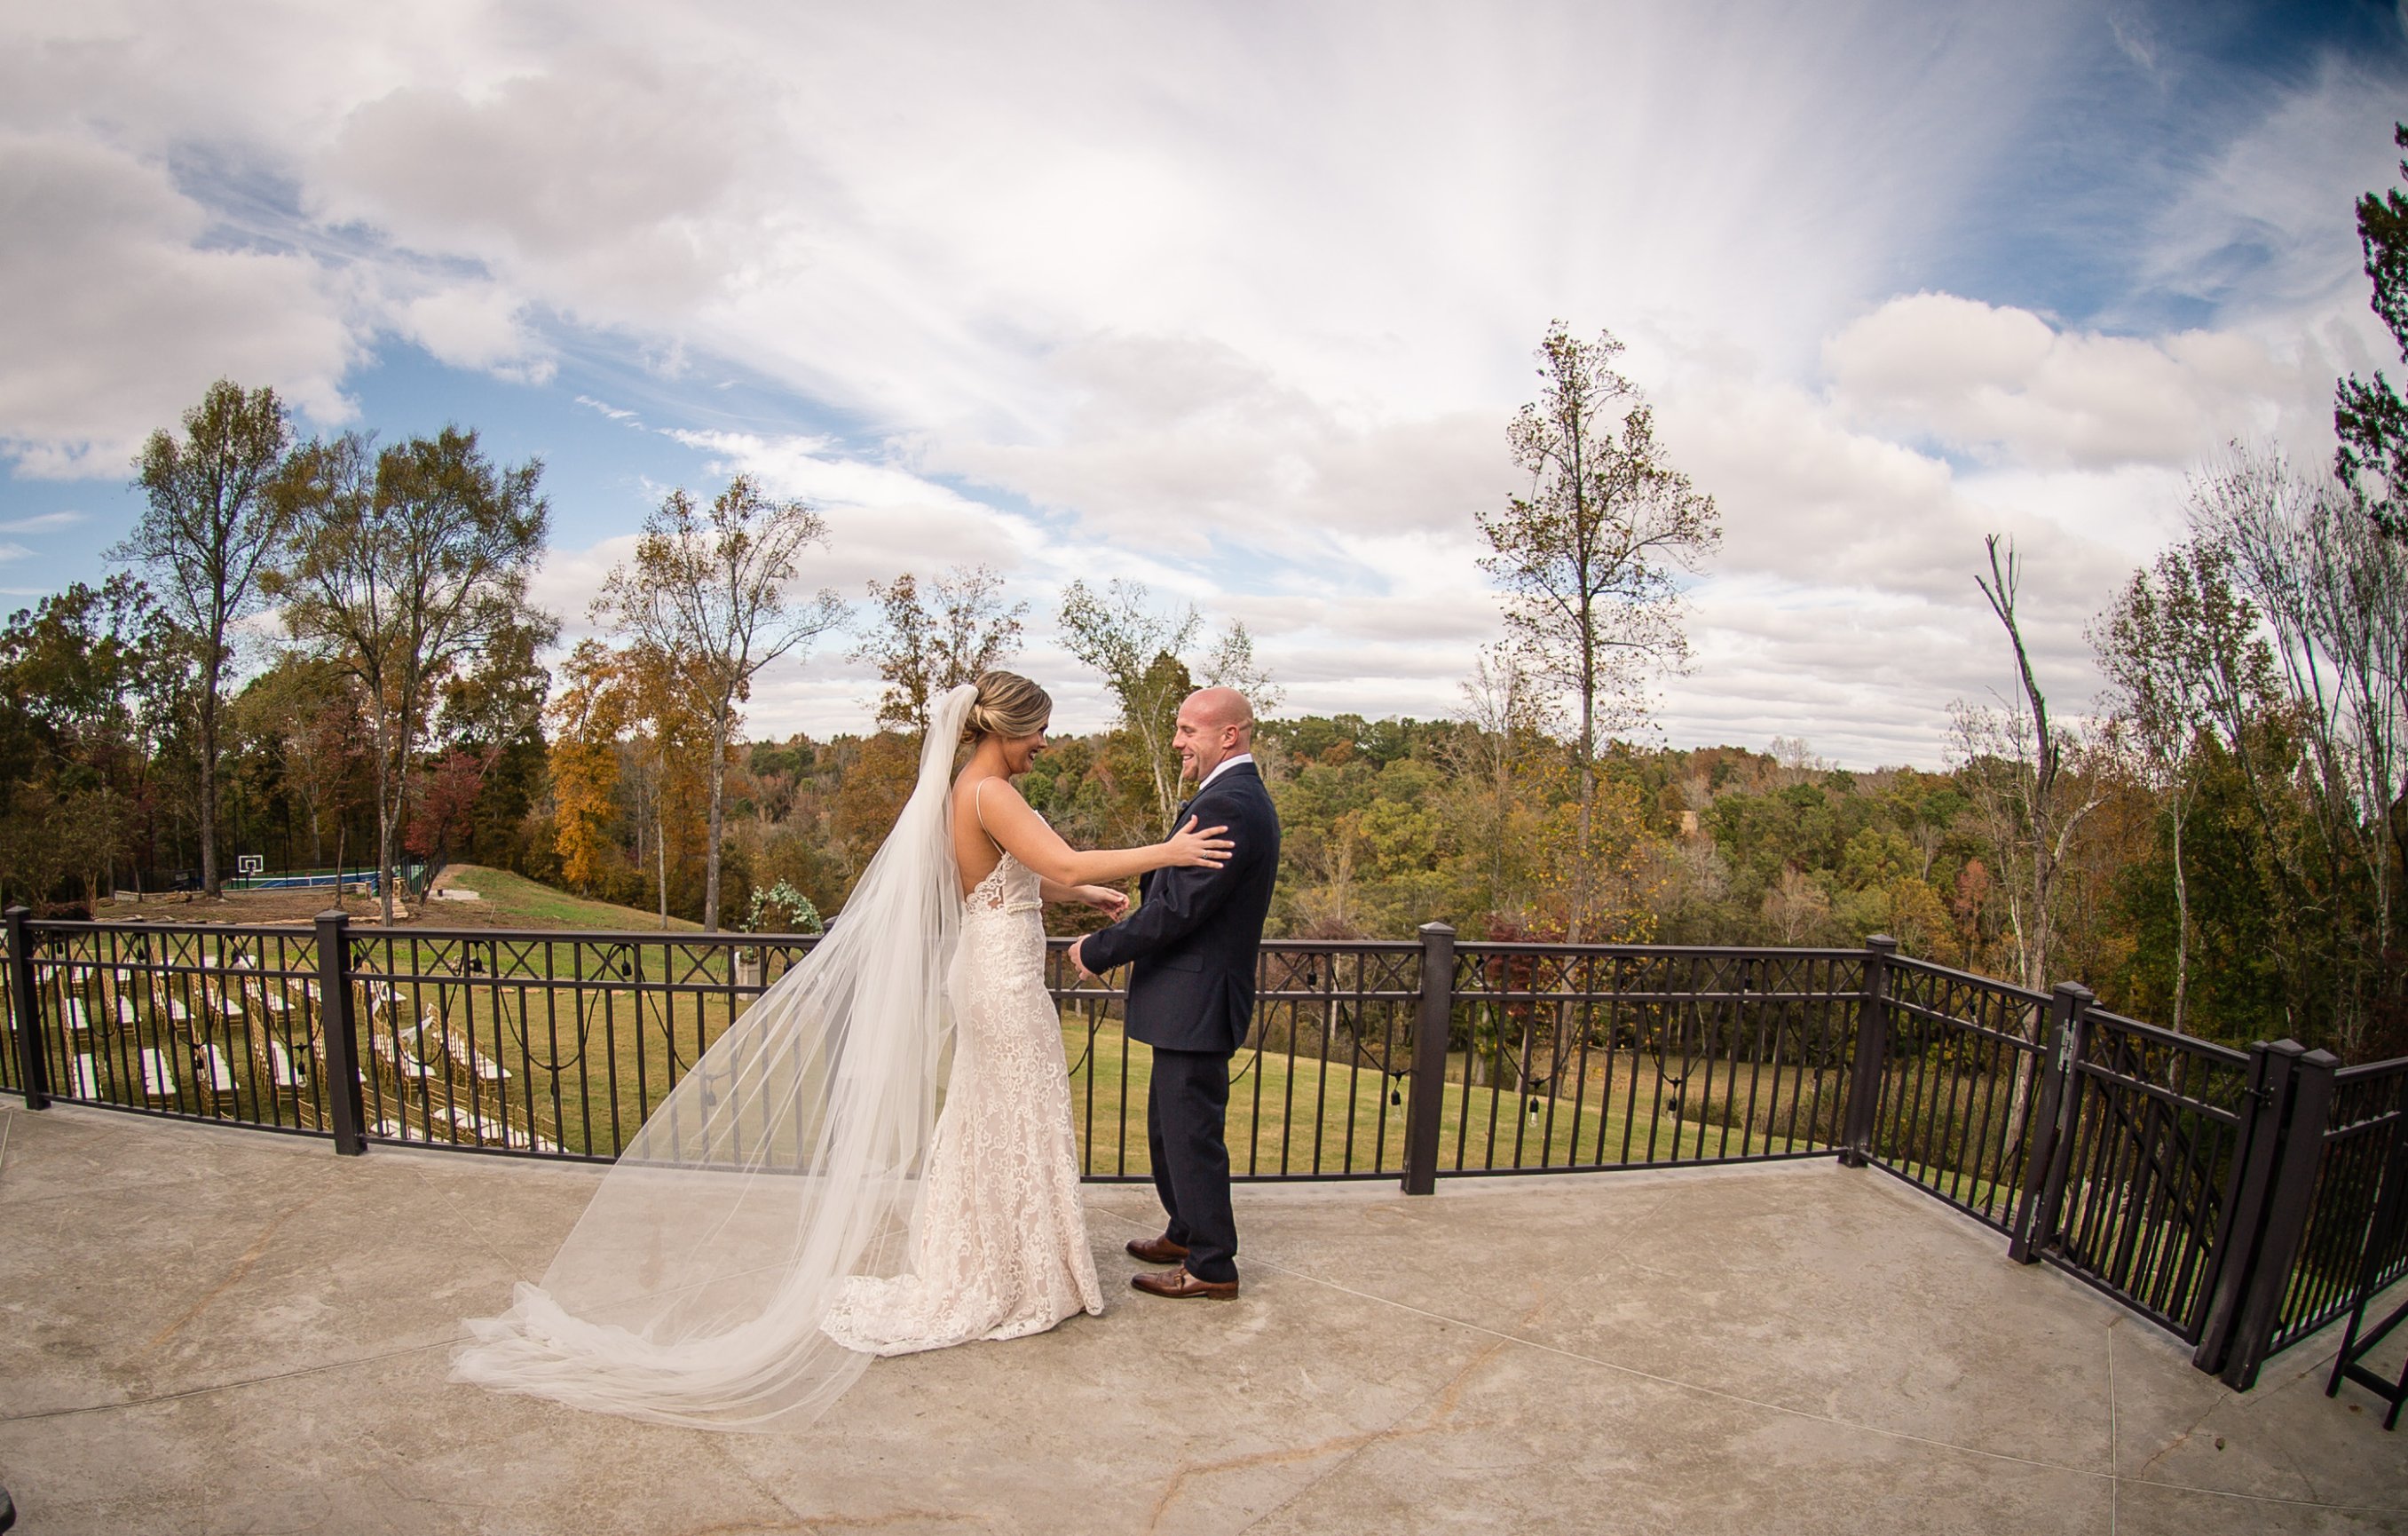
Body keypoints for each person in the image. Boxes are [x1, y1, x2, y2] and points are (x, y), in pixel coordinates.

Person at [451, 673, 1232, 1429]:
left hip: (990, 969)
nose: (1046, 745)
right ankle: (1011, 1270)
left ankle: (1009, 1260)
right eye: (1041, 731)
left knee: (992, 1118)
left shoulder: (972, 792)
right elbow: (1056, 859)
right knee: (1014, 1113)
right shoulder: (990, 791)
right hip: (999, 981)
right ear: (1011, 728)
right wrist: (1164, 854)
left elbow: (1019, 874)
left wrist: (1083, 897)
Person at [1070, 687, 1281, 1301]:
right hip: (1185, 1001)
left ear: (1230, 736)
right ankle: (1185, 1231)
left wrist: (1097, 950)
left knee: (1190, 1135)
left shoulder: (1233, 805)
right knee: (1169, 1128)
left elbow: (1178, 910)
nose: (1177, 741)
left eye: (1189, 730)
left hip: (1199, 999)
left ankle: (1213, 1266)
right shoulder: (1228, 796)